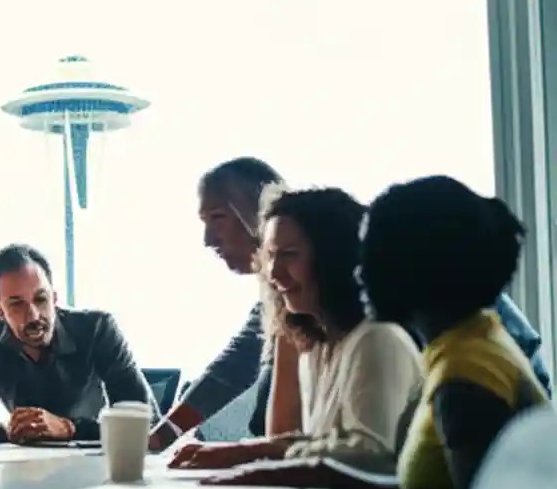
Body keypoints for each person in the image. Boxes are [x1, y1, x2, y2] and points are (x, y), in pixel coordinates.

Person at [205, 176, 549, 489]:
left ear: (419, 265)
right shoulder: (468, 345)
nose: (357, 270)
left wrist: (329, 476)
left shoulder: (466, 377)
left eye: (373, 252)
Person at [171, 187, 424, 472]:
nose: (275, 274)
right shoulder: (315, 347)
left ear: (334, 260)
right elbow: (318, 444)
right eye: (271, 257)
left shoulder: (378, 339)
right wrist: (241, 451)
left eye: (289, 255)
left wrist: (252, 452)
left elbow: (370, 455)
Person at [0, 244, 155, 443]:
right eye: (16, 304)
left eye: (41, 299)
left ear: (54, 297)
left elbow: (147, 422)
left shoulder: (98, 329)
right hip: (22, 470)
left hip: (93, 469)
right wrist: (8, 430)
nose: (33, 316)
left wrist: (68, 428)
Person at [150, 157, 286, 449]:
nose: (208, 239)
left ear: (260, 214)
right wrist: (161, 437)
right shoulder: (276, 294)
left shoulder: (313, 297)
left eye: (218, 217)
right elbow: (234, 367)